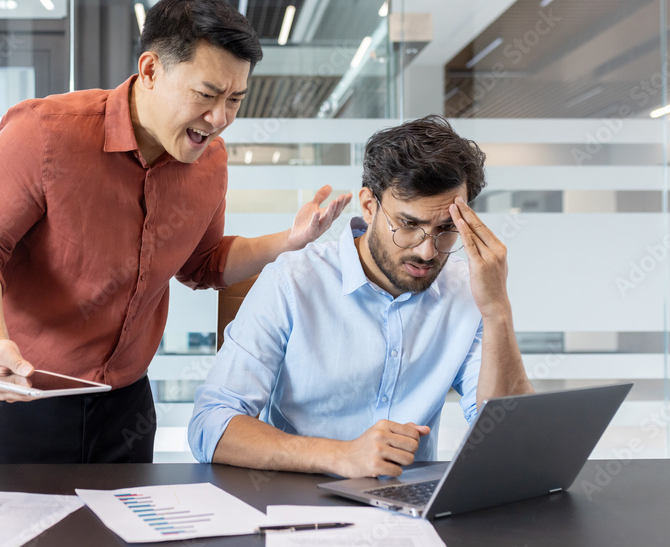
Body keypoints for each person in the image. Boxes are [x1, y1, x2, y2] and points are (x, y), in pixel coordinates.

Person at [0, 0, 351, 465]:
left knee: (123, 539)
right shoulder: (46, 133)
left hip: (126, 407)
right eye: (207, 94)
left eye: (236, 99)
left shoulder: (209, 161)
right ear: (151, 70)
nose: (220, 119)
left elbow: (203, 265)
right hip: (22, 394)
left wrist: (289, 241)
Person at [188, 115, 534, 477]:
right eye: (409, 225)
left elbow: (509, 434)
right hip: (300, 502)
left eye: (446, 229)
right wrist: (341, 456)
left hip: (408, 508)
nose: (428, 251)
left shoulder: (467, 289)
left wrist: (497, 312)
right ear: (369, 207)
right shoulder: (292, 283)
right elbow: (210, 425)